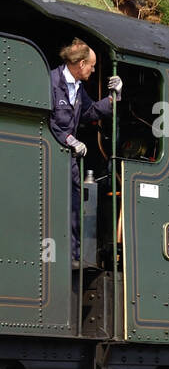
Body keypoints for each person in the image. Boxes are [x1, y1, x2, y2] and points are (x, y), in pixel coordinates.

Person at [49, 38, 121, 266]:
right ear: (80, 64)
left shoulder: (78, 89)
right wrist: (69, 139)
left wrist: (114, 98)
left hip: (67, 158)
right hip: (50, 154)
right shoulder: (51, 81)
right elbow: (47, 120)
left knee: (75, 205)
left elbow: (90, 112)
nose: (93, 69)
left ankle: (73, 255)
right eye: (91, 65)